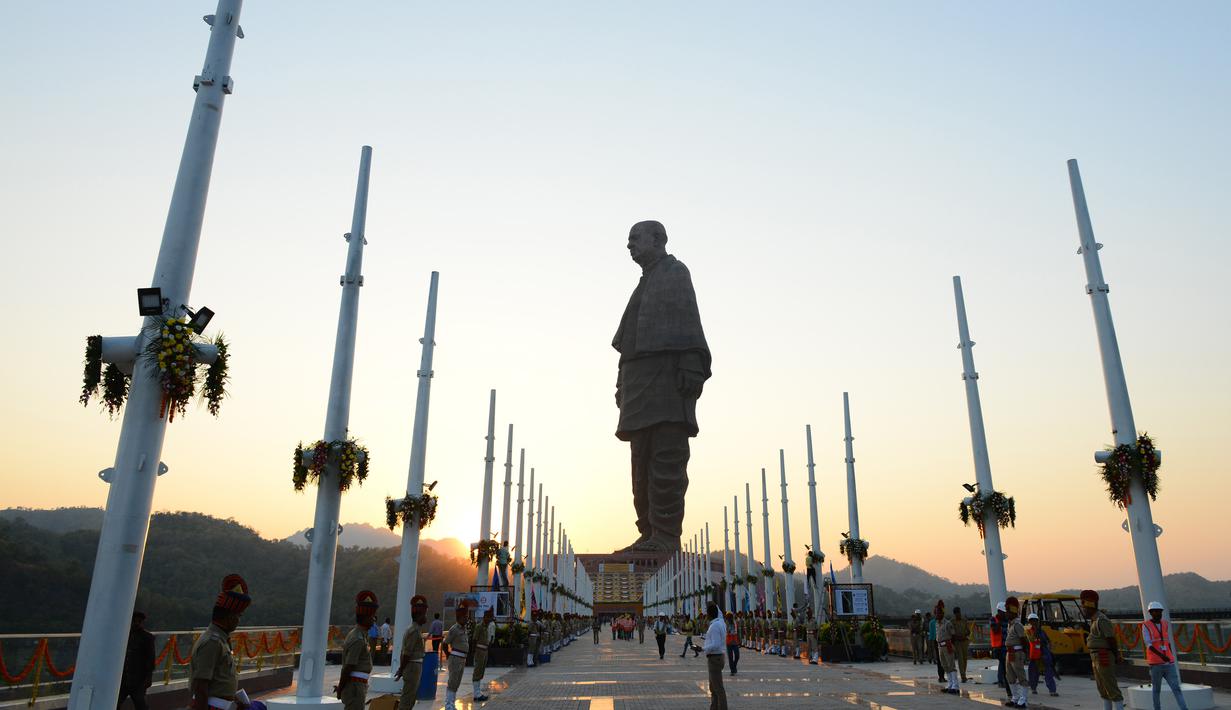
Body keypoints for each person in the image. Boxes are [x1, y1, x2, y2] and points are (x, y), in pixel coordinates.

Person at [614, 220, 712, 553]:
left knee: (666, 459)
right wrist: (621, 383)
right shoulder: (643, 285)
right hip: (638, 387)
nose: (629, 245)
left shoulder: (675, 273)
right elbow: (628, 343)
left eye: (634, 238)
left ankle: (666, 536)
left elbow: (688, 325)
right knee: (639, 465)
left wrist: (690, 365)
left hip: (668, 384)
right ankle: (648, 532)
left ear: (658, 240)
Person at [189, 574, 251, 710]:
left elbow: (219, 680)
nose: (238, 620)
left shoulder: (221, 640)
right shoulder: (212, 642)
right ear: (229, 617)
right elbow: (201, 685)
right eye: (238, 616)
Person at [1081, 590, 1123, 710]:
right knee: (1102, 687)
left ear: (1089, 607)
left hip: (1103, 655)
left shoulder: (1101, 620)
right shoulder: (1094, 620)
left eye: (1084, 608)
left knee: (1111, 686)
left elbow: (1111, 639)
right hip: (1095, 655)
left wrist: (1116, 656)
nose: (1083, 610)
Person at [337, 591, 378, 710]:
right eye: (372, 618)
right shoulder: (357, 639)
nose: (374, 621)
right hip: (355, 686)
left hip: (358, 684)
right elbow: (348, 667)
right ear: (365, 618)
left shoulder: (360, 635)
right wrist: (341, 687)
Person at [1143, 601, 1188, 710]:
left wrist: (1170, 655)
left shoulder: (1165, 624)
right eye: (1156, 611)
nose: (1159, 613)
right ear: (1151, 612)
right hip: (1156, 663)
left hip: (1169, 663)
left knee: (1176, 688)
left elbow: (1167, 642)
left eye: (1160, 611)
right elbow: (1148, 644)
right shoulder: (1146, 626)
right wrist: (1162, 656)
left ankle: (1184, 708)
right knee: (1156, 689)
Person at [395, 595, 429, 710]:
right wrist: (401, 669)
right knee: (407, 698)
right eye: (424, 614)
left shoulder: (416, 629)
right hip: (412, 667)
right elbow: (406, 653)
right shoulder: (413, 631)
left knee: (411, 697)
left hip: (414, 665)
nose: (426, 617)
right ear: (418, 615)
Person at [118, 611, 156, 710]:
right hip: (123, 678)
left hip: (139, 679)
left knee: (140, 704)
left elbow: (151, 659)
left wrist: (149, 677)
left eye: (139, 621)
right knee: (116, 702)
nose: (137, 623)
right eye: (135, 621)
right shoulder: (124, 635)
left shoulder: (147, 637)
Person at [442, 602, 472, 710]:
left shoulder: (464, 629)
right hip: (455, 657)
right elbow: (445, 644)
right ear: (459, 617)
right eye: (464, 617)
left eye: (467, 617)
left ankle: (452, 704)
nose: (466, 619)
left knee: (457, 682)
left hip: (462, 658)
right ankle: (448, 705)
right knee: (452, 681)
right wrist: (449, 655)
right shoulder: (454, 629)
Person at [1002, 596, 1028, 708]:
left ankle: (1023, 699)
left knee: (1021, 676)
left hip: (1017, 653)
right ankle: (1015, 698)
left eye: (1007, 611)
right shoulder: (1010, 624)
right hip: (1010, 653)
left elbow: (1024, 640)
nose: (1006, 614)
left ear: (1013, 612)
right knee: (1010, 677)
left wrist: (1026, 654)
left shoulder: (1017, 625)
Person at [1026, 613, 1059, 697]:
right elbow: (1031, 640)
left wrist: (1049, 651)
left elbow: (1048, 641)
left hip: (1044, 653)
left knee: (1048, 672)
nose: (1034, 623)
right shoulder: (1028, 631)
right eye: (1032, 621)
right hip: (1034, 654)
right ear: (1029, 622)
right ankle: (1033, 688)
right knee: (1033, 673)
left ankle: (1052, 690)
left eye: (1035, 621)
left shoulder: (1042, 631)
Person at [935, 602, 960, 694]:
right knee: (945, 665)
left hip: (947, 645)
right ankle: (950, 684)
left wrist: (951, 645)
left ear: (942, 613)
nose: (937, 614)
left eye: (938, 613)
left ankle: (955, 686)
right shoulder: (937, 623)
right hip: (940, 646)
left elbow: (953, 635)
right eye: (936, 613)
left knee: (951, 665)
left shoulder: (947, 623)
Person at [472, 608, 493, 702]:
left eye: (490, 618)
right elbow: (474, 640)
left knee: (481, 672)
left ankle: (478, 692)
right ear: (485, 617)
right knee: (477, 671)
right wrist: (474, 652)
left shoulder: (486, 627)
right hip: (479, 651)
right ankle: (476, 694)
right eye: (488, 617)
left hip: (485, 650)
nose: (489, 620)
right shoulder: (479, 626)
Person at [992, 601, 1009, 699]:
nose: (1004, 614)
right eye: (1003, 612)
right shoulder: (994, 619)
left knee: (1005, 664)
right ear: (999, 611)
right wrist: (998, 621)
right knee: (1002, 664)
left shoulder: (1007, 620)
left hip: (1006, 645)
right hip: (998, 646)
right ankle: (1001, 681)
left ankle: (1004, 680)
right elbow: (995, 630)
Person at [952, 606, 972, 683]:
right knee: (960, 659)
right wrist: (958, 637)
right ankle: (963, 676)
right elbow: (952, 633)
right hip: (957, 642)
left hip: (964, 641)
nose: (958, 614)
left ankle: (964, 674)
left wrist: (965, 635)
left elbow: (968, 631)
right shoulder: (952, 622)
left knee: (964, 659)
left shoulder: (964, 620)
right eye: (957, 613)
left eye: (959, 612)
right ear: (954, 614)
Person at [723, 611, 740, 675]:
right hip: (729, 642)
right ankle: (732, 670)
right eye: (728, 617)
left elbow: (736, 631)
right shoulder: (725, 623)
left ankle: (734, 666)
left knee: (737, 656)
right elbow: (726, 632)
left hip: (735, 641)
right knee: (730, 657)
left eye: (730, 617)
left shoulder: (735, 622)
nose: (729, 618)